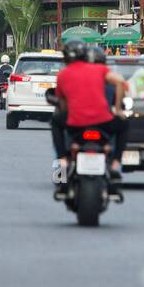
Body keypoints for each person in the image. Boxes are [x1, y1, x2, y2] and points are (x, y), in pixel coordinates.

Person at [53, 39, 129, 198]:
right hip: (103, 123)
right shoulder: (99, 70)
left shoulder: (62, 75)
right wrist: (118, 109)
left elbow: (63, 106)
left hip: (76, 125)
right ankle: (115, 164)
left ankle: (62, 162)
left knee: (56, 120)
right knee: (124, 123)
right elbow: (121, 82)